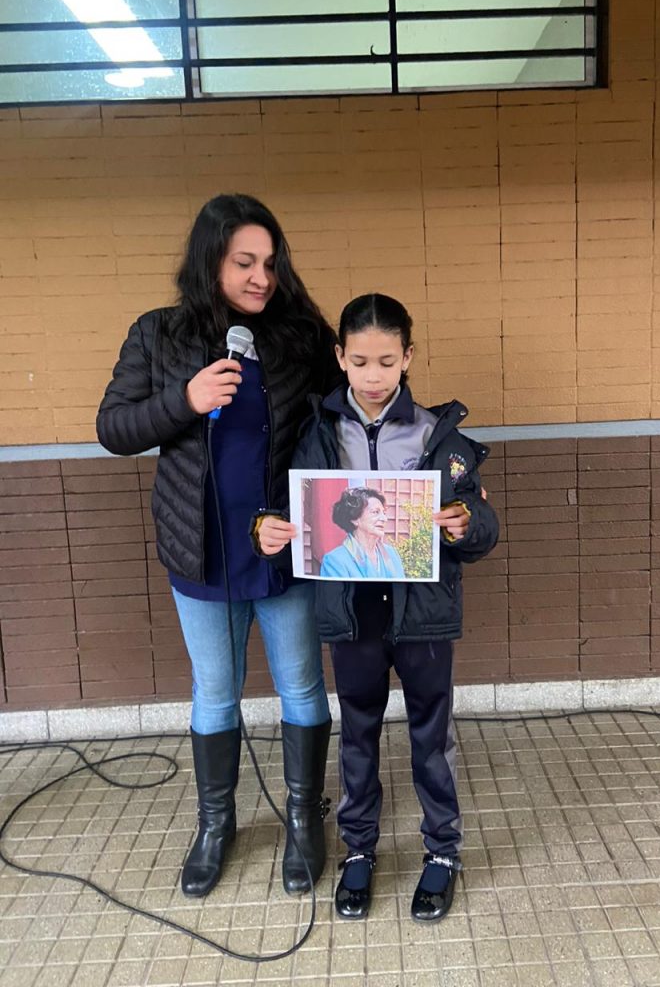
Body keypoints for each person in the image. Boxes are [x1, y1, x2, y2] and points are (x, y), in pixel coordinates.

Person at [96, 193, 340, 900]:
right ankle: (216, 824)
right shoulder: (157, 335)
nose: (261, 277)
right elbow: (113, 429)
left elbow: (339, 424)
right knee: (214, 691)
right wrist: (186, 400)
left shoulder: (300, 336)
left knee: (299, 684)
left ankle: (303, 818)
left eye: (270, 263)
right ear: (211, 260)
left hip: (284, 549)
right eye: (244, 262)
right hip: (199, 551)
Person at [255, 293, 499, 923]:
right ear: (339, 357)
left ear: (408, 358)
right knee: (357, 732)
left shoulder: (437, 436)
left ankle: (442, 853)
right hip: (352, 614)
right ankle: (358, 850)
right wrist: (275, 532)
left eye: (386, 361)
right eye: (359, 360)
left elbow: (483, 526)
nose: (372, 374)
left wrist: (462, 525)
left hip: (422, 616)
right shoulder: (316, 433)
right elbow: (295, 522)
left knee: (431, 736)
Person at [320, 487, 406, 579]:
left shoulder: (392, 553)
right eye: (375, 512)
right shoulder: (335, 560)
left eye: (384, 513)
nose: (384, 519)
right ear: (354, 518)